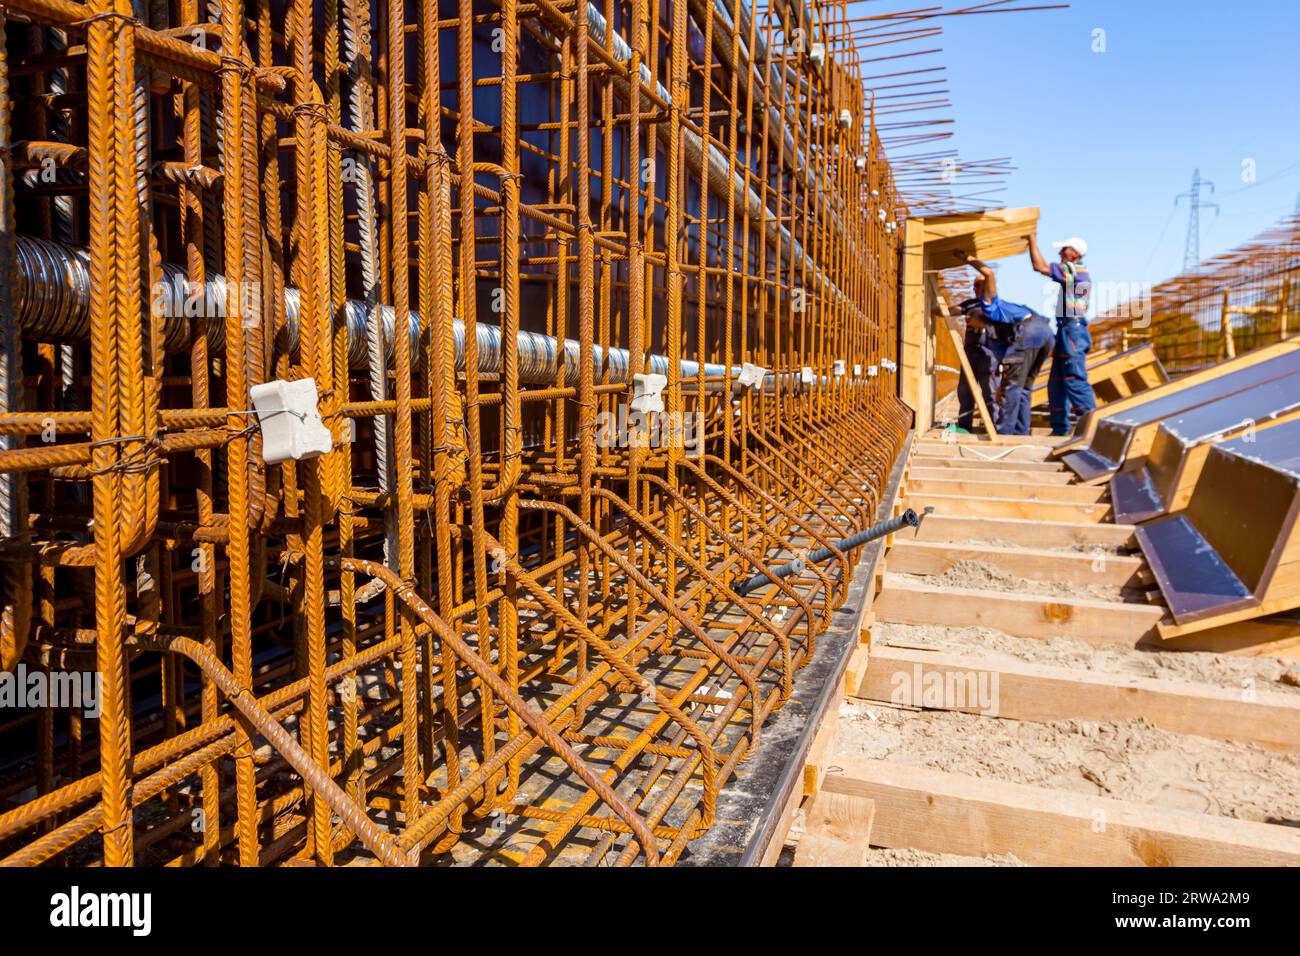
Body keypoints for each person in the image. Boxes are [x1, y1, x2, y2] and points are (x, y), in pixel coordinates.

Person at [948, 251, 1048, 436]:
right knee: (1020, 387)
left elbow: (989, 273)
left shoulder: (990, 304)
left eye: (972, 319)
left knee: (1006, 389)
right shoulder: (996, 325)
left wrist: (968, 258)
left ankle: (1001, 430)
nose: (970, 322)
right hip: (1040, 332)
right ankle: (1016, 432)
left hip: (1025, 334)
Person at [1028, 234, 1096, 435]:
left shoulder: (1075, 270)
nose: (1059, 253)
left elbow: (1040, 266)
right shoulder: (1074, 271)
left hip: (1072, 330)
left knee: (1074, 378)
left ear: (1075, 254)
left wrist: (1032, 240)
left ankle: (1092, 428)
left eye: (1064, 249)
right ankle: (1060, 430)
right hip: (1066, 329)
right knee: (1056, 383)